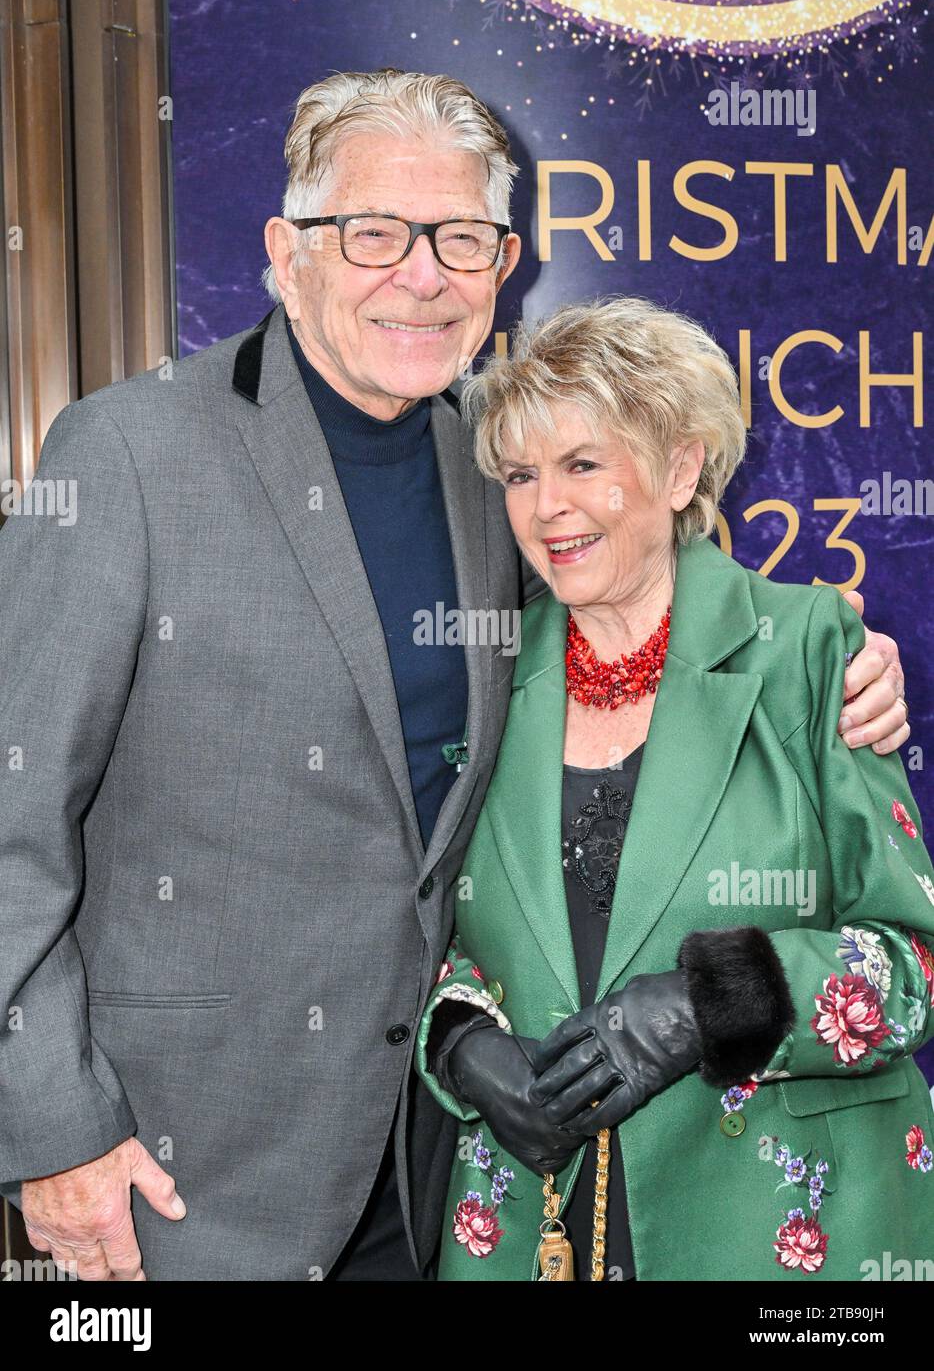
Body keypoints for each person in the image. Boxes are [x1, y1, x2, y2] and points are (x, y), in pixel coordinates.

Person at [0, 70, 908, 1282]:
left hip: (442, 1177)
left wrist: (836, 654)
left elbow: (623, 660)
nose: (420, 274)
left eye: (460, 238)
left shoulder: (491, 467)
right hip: (180, 1175)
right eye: (372, 232)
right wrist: (55, 1133)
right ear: (285, 250)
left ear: (503, 260)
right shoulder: (126, 450)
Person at [415, 296, 934, 1282]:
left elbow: (912, 966)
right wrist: (462, 1050)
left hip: (775, 1238)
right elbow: (439, 939)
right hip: (535, 1231)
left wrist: (708, 1003)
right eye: (521, 475)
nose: (545, 508)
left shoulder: (810, 652)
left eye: (582, 464)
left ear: (680, 468)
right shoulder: (484, 677)